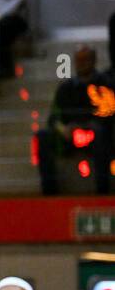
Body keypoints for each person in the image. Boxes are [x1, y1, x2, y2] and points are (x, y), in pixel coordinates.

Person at [38, 44, 111, 195]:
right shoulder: (65, 87)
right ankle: (49, 192)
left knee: (100, 133)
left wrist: (88, 127)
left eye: (85, 60)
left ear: (94, 60)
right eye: (78, 60)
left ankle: (103, 190)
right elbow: (54, 118)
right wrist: (63, 129)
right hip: (69, 136)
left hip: (97, 135)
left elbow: (109, 115)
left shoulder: (106, 84)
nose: (81, 63)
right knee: (43, 136)